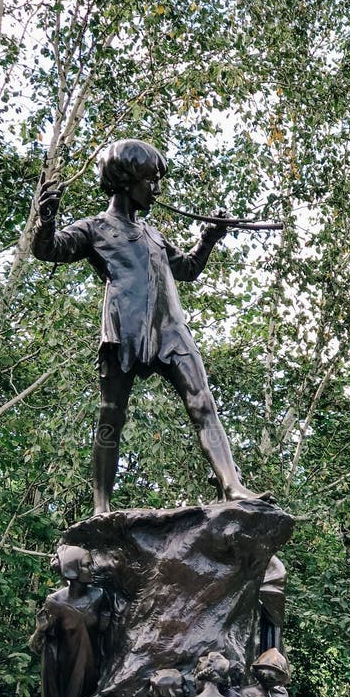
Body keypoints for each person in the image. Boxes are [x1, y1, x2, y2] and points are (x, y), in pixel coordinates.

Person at [32, 139, 269, 514]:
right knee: (112, 413)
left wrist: (209, 238)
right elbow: (49, 250)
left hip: (170, 328)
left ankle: (231, 486)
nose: (157, 189)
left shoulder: (153, 235)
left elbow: (187, 269)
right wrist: (46, 221)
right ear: (127, 180)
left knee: (202, 401)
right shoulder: (95, 229)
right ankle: (101, 507)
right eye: (151, 179)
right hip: (124, 329)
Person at [29, 545, 111, 697]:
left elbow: (109, 634)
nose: (92, 569)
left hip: (96, 669)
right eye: (86, 565)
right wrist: (41, 630)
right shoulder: (55, 602)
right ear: (72, 570)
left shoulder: (100, 596)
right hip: (66, 672)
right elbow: (36, 646)